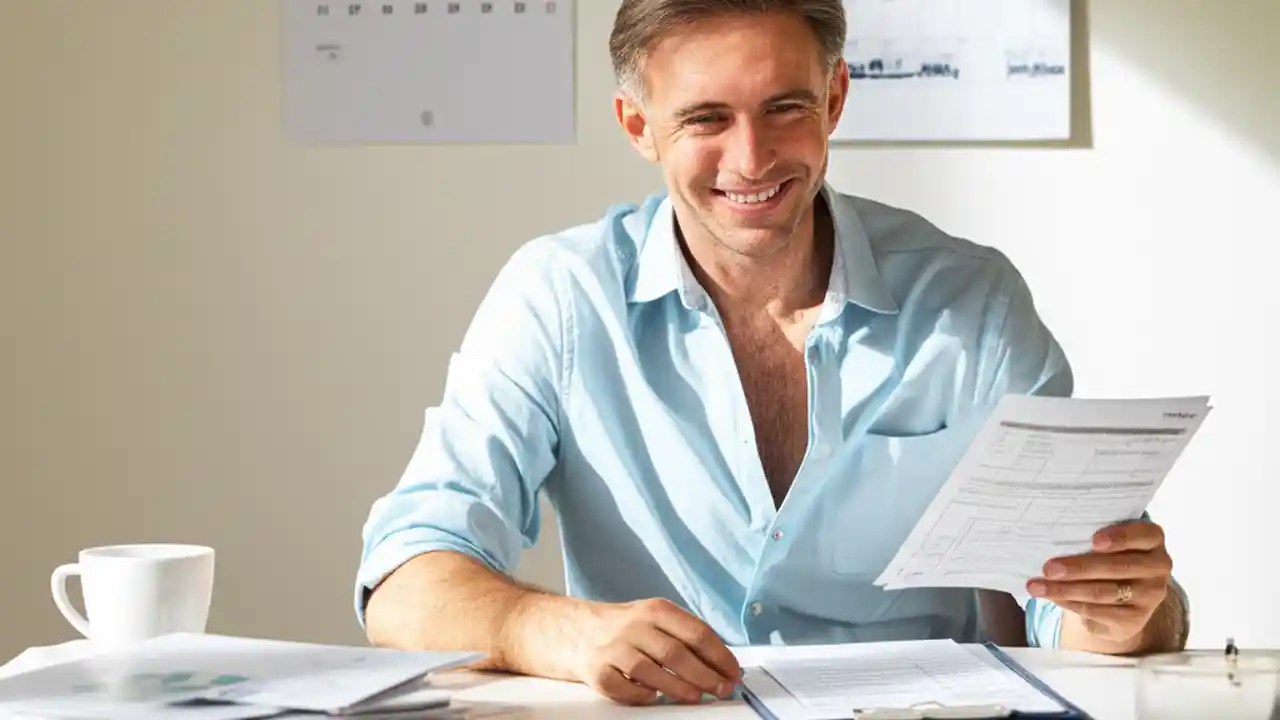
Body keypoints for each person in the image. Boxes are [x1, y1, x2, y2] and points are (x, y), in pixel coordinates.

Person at [355, 0, 1188, 706]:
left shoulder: (970, 303)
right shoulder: (560, 298)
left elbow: (1078, 611)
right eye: (706, 118)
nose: (751, 160)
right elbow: (403, 581)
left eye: (785, 108)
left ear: (835, 98)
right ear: (639, 125)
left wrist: (1128, 612)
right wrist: (550, 627)